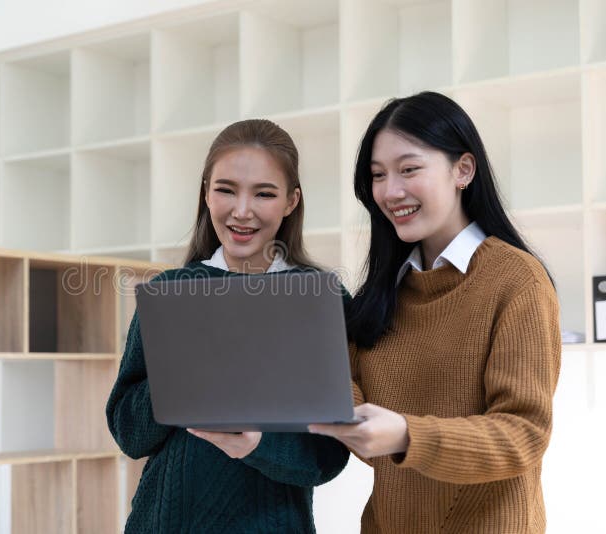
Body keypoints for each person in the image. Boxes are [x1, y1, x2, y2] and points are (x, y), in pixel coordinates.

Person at [309, 91, 561, 533]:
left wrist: (409, 435)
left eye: (409, 169)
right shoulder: (383, 292)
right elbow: (355, 410)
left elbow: (524, 434)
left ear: (462, 170)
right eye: (378, 175)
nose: (390, 191)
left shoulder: (517, 282)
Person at [106, 119, 350, 533]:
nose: (241, 210)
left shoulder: (318, 299)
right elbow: (129, 433)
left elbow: (329, 455)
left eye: (264, 194)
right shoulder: (172, 292)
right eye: (225, 190)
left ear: (291, 201)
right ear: (205, 194)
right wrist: (182, 376)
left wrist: (259, 445)